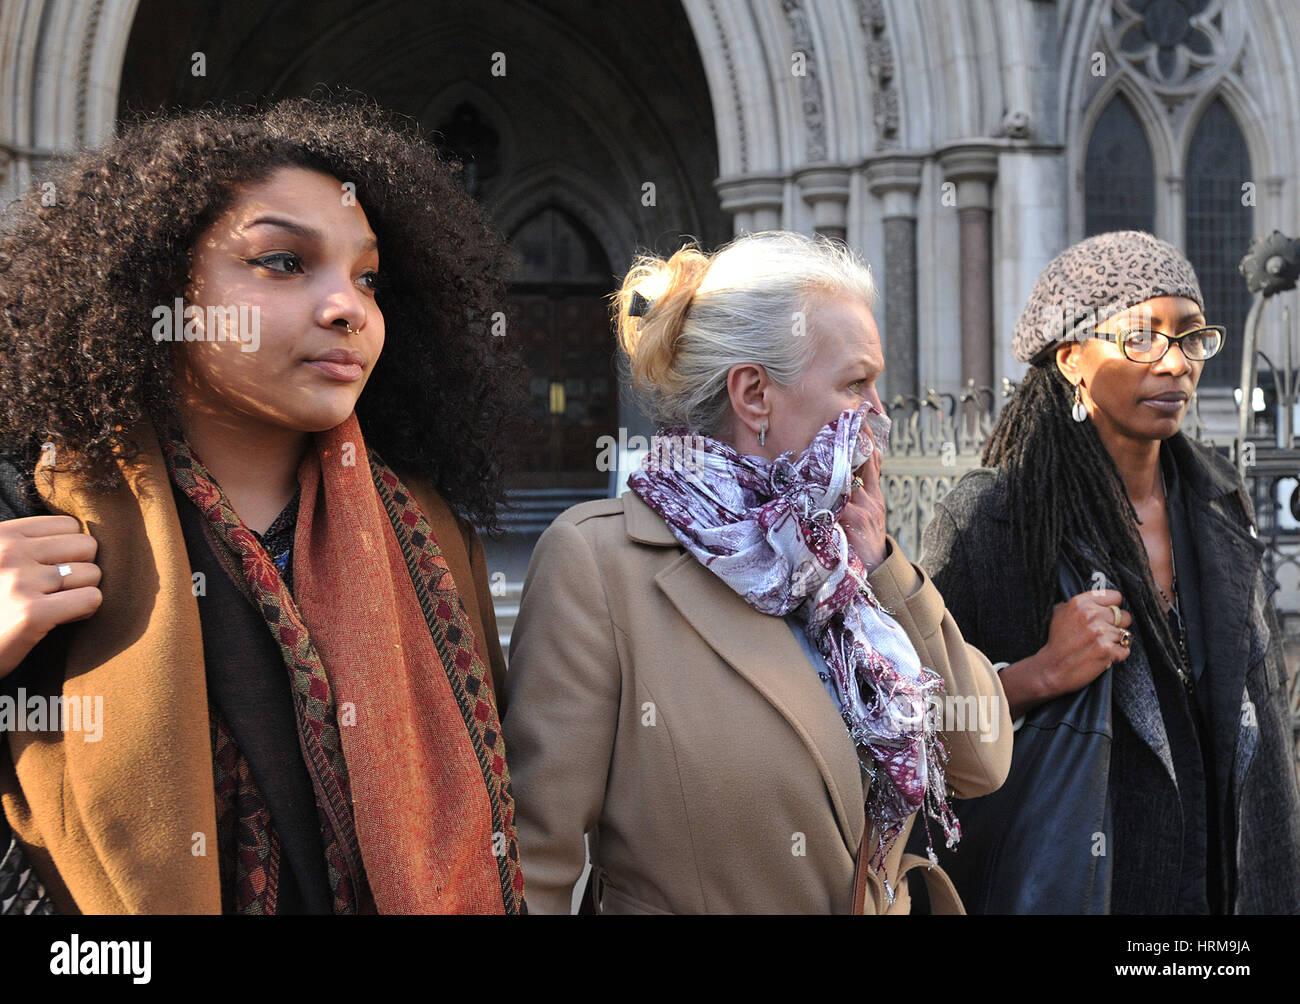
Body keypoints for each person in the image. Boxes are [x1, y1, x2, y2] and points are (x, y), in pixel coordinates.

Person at [0, 98, 528, 914]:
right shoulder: (31, 514)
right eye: (283, 262)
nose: (347, 307)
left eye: (369, 277)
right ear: (155, 280)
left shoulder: (429, 533)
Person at [502, 231, 1011, 914]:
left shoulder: (843, 560)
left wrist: (885, 567)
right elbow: (536, 864)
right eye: (856, 383)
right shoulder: (597, 564)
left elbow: (980, 760)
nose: (879, 416)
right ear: (753, 395)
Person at [915, 230, 1300, 914]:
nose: (1176, 364)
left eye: (1191, 338)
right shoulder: (996, 519)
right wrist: (1037, 676)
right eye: (1143, 337)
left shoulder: (1218, 505)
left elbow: (1263, 733)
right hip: (1088, 887)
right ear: (1071, 359)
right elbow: (912, 728)